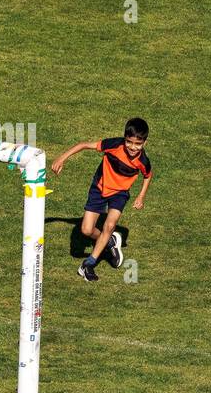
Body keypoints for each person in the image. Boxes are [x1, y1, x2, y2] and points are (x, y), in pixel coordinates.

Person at [50, 118, 154, 283]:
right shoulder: (113, 145)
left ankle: (88, 264)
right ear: (124, 138)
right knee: (86, 230)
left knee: (110, 225)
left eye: (138, 144)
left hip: (119, 193)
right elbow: (84, 145)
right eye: (129, 142)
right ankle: (109, 241)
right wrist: (62, 158)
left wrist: (141, 196)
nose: (133, 147)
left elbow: (148, 176)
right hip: (99, 189)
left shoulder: (143, 161)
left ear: (144, 143)